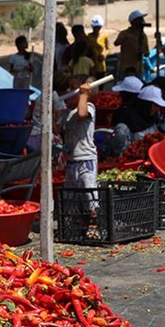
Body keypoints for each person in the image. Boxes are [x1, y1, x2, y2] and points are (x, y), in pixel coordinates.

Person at [57, 75, 99, 238]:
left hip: (86, 159)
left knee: (89, 193)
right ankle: (76, 224)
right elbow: (56, 129)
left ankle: (94, 224)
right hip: (72, 160)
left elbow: (82, 114)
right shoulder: (66, 113)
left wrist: (84, 95)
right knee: (72, 194)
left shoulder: (88, 107)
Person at [115, 10, 150, 79]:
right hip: (125, 69)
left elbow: (147, 53)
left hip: (138, 69)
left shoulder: (143, 36)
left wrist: (142, 50)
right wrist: (128, 37)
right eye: (140, 20)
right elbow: (116, 43)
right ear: (133, 22)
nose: (142, 21)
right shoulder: (124, 33)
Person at [88, 15, 111, 79]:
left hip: (101, 66)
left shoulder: (104, 36)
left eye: (98, 27)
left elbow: (108, 49)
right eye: (95, 27)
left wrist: (104, 55)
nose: (96, 29)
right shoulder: (88, 36)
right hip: (91, 66)